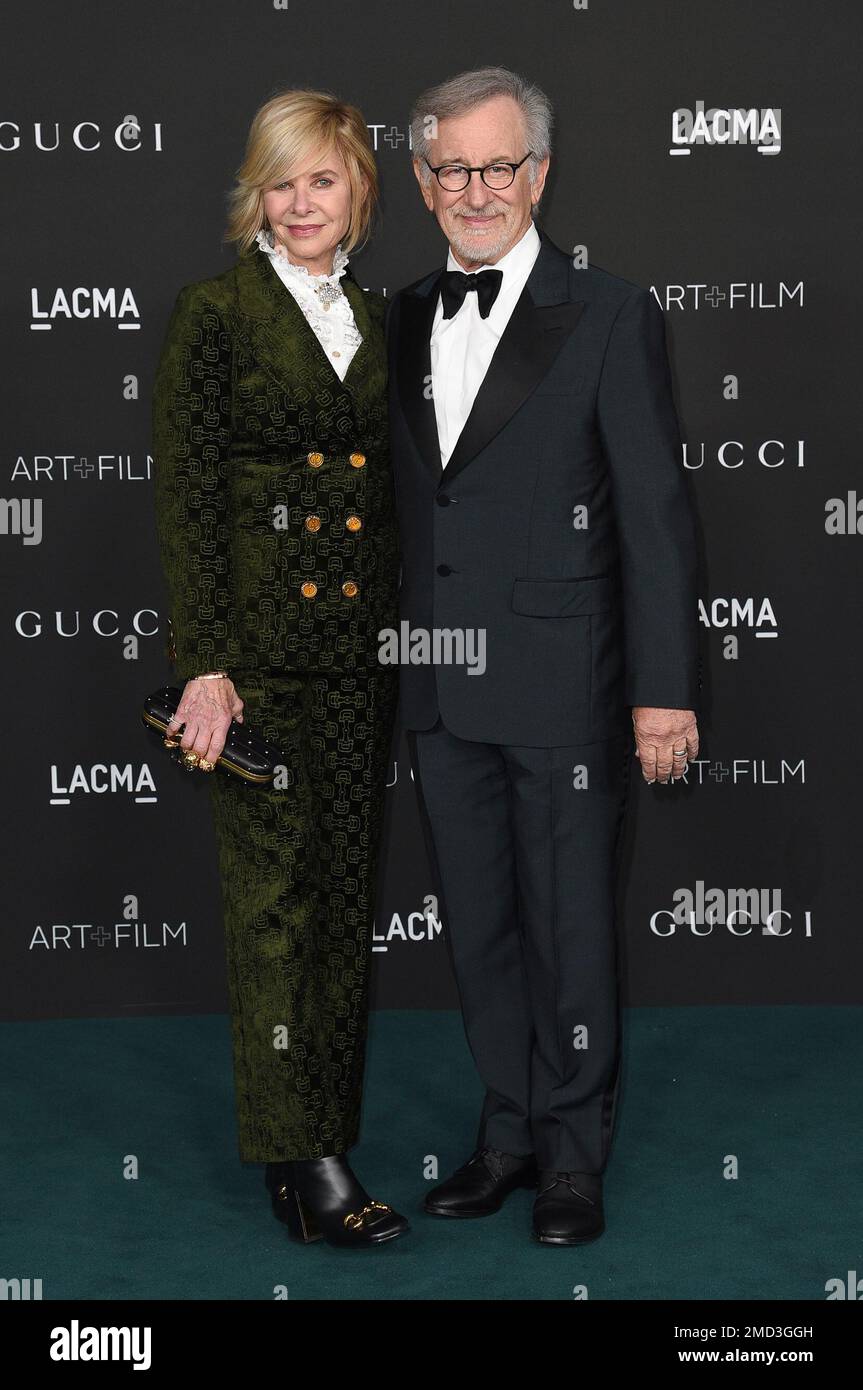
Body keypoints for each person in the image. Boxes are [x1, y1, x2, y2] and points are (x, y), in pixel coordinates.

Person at [387, 66, 703, 1244]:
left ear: (539, 173)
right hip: (439, 676)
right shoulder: (404, 313)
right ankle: (507, 1133)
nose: (477, 189)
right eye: (452, 168)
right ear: (422, 183)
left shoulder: (610, 312)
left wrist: (662, 691)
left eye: (498, 165)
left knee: (569, 927)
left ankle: (574, 1157)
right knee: (479, 924)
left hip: (569, 686)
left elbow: (656, 517)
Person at [151, 88, 408, 1248]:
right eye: (280, 181)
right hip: (256, 668)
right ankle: (307, 1155)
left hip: (356, 660)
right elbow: (191, 499)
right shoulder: (213, 315)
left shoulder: (382, 316)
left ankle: (314, 1136)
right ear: (253, 193)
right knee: (271, 915)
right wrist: (205, 666)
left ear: (358, 192)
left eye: (321, 181)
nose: (299, 204)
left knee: (340, 908)